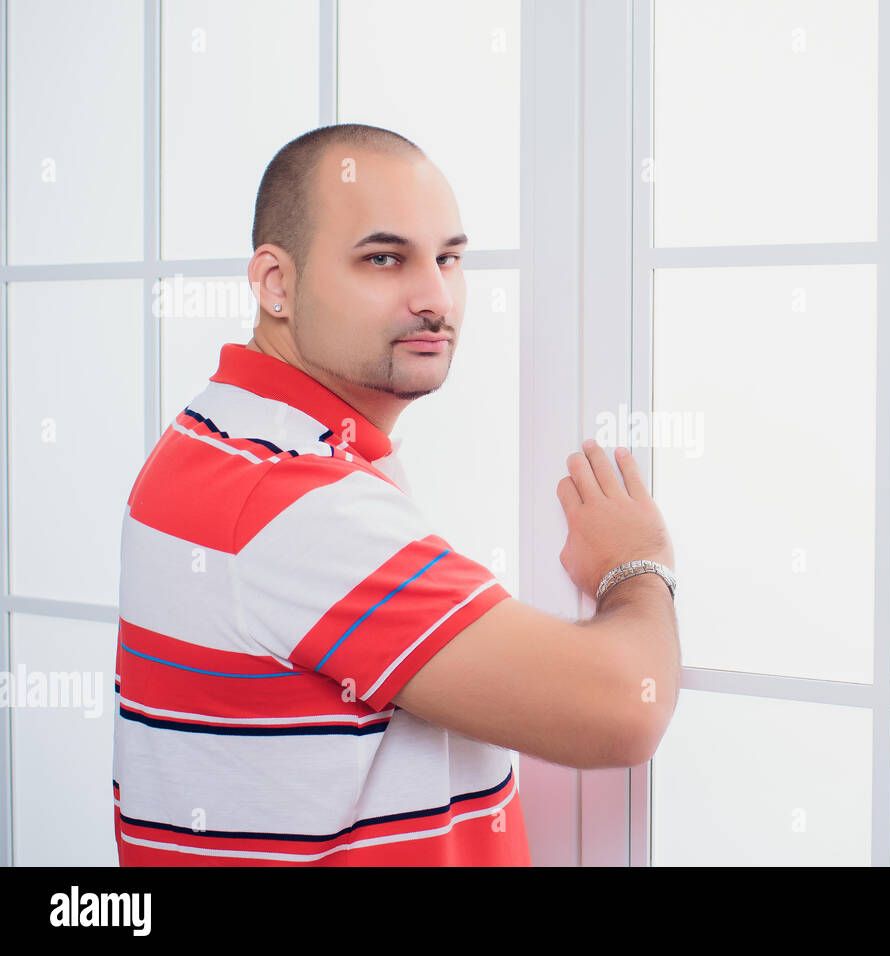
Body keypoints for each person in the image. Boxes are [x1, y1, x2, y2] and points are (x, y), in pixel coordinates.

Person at [112, 123, 679, 866]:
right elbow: (622, 708)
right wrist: (636, 565)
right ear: (276, 284)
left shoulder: (221, 431)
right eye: (384, 258)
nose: (435, 297)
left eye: (448, 258)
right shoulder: (291, 494)